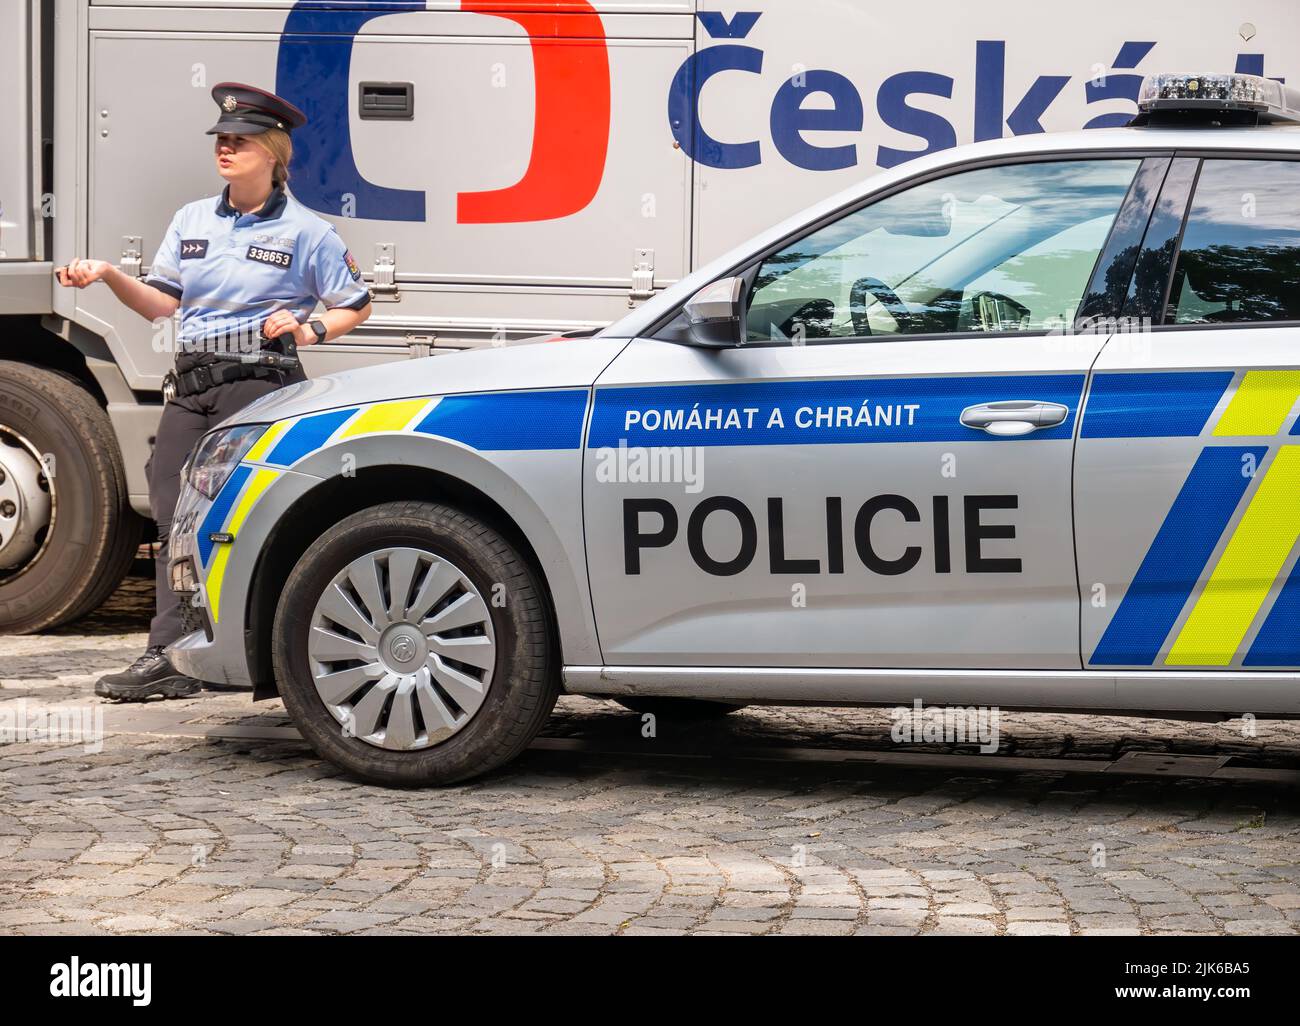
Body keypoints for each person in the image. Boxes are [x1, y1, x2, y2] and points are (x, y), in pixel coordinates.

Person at [57, 83, 373, 700]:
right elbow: (162, 303)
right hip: (192, 388)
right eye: (221, 140)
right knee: (174, 517)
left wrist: (309, 327)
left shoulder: (308, 232)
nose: (225, 149)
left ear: (272, 152)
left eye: (239, 141)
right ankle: (169, 657)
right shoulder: (192, 219)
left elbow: (353, 305)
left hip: (259, 386)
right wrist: (110, 277)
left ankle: (260, 650)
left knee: (246, 518)